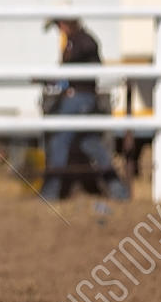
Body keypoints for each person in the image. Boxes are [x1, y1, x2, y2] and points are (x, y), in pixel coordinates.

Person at [40, 15, 130, 202]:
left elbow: (81, 68)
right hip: (82, 98)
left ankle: (50, 193)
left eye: (59, 24)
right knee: (90, 144)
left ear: (66, 23)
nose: (59, 29)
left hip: (78, 99)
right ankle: (118, 191)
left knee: (59, 141)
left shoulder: (83, 41)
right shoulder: (78, 41)